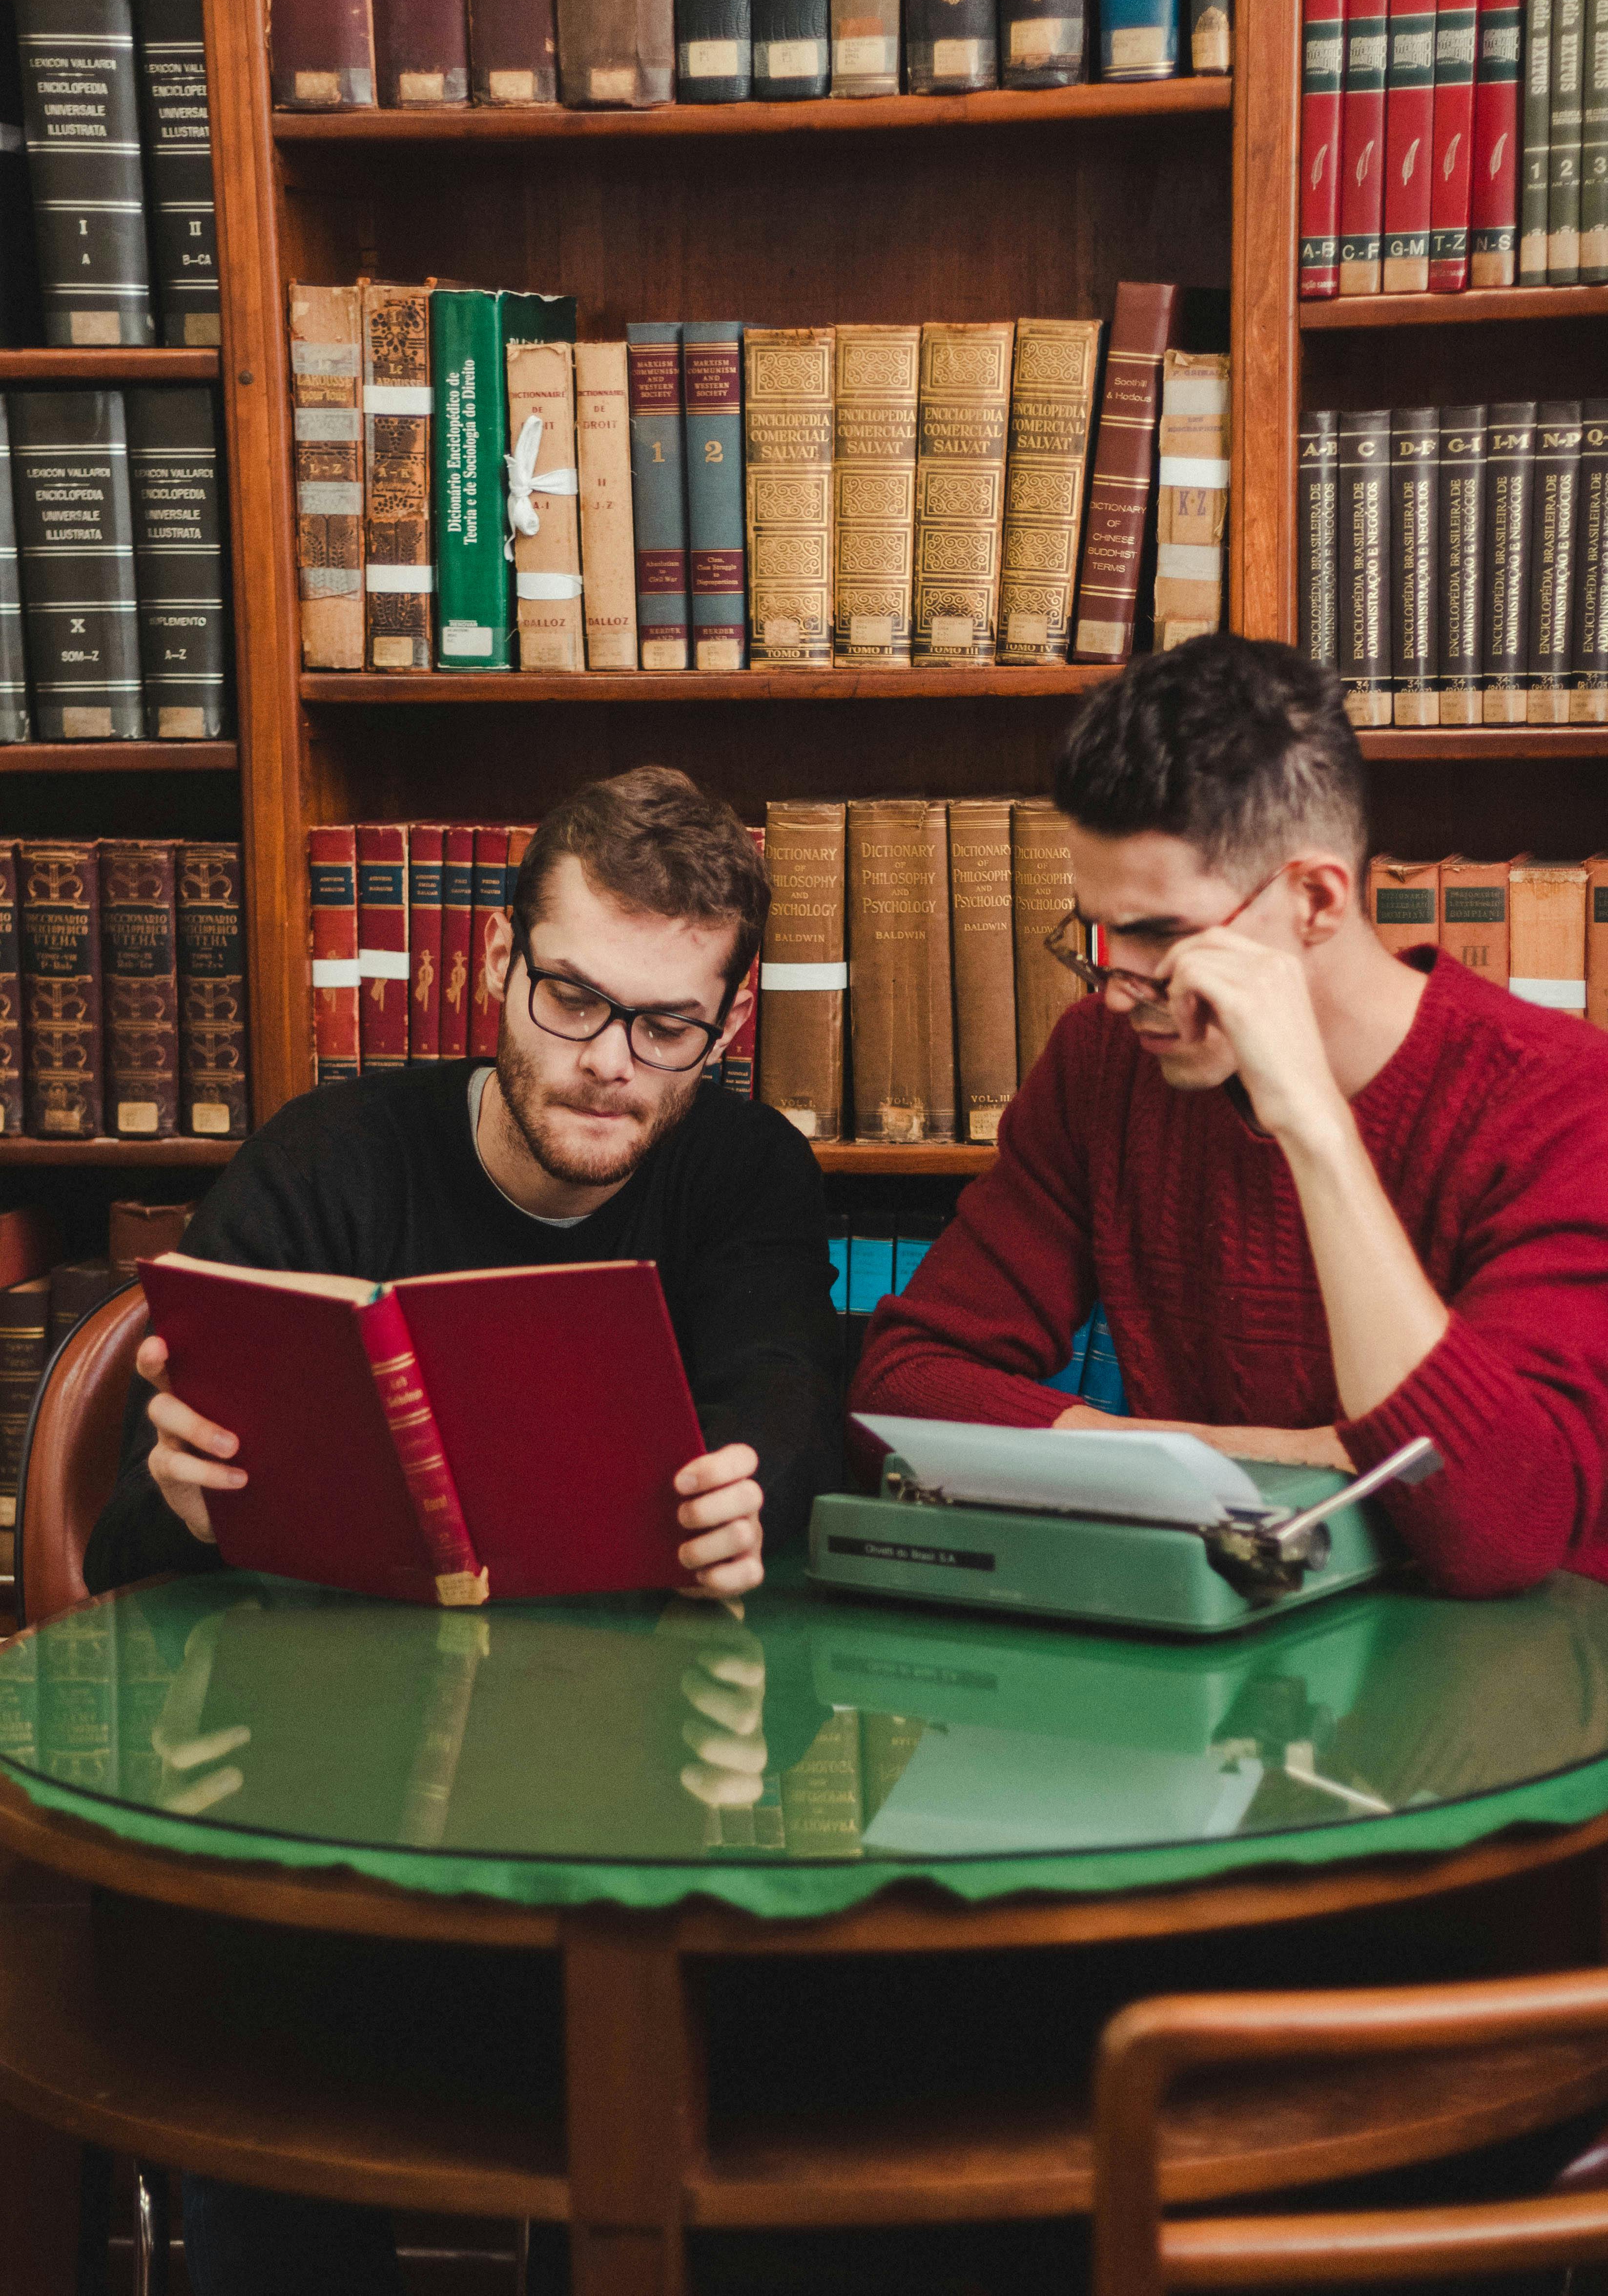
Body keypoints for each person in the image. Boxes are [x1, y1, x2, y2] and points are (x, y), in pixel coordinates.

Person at [86, 765, 841, 2296]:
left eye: (665, 1025)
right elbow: (122, 1560)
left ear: (721, 1028)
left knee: (750, 2057)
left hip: (629, 1814)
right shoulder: (325, 1162)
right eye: (570, 996)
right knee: (268, 2062)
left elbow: (783, 1400)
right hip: (326, 1812)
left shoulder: (743, 1171)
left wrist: (756, 1484)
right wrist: (175, 1497)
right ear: (497, 964)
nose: (607, 1063)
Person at [853, 634, 1608, 1599]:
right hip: (1230, 1655)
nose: (1121, 990)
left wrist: (1318, 1131)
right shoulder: (1101, 1061)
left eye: (1163, 936)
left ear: (1316, 899)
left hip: (1514, 1689)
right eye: (1099, 929)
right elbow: (901, 1389)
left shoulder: (1562, 1100)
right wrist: (1240, 1455)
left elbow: (1501, 1531)